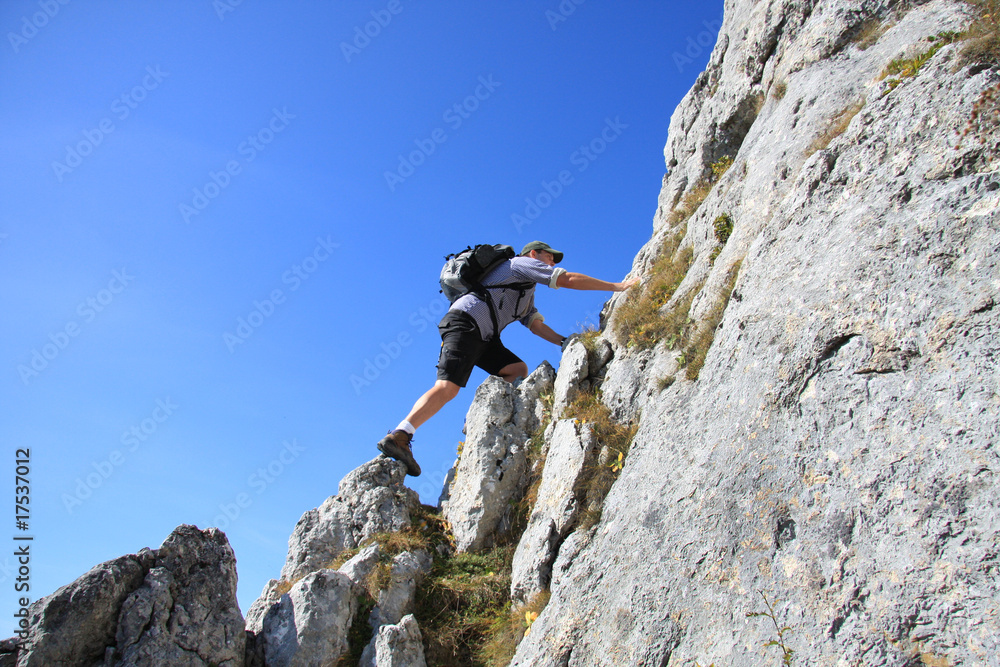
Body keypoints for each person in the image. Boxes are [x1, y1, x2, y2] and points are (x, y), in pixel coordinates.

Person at [377, 241, 639, 476]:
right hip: (464, 323)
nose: (553, 263)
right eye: (550, 257)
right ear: (534, 254)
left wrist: (563, 341)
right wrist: (617, 287)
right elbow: (567, 279)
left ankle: (489, 413)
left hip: (484, 335)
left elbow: (535, 325)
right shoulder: (520, 265)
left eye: (555, 261)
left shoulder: (526, 293)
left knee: (516, 369)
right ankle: (401, 434)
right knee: (447, 388)